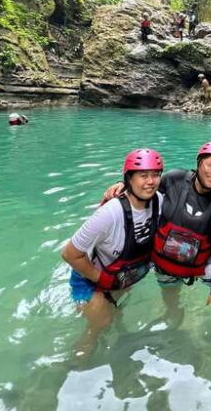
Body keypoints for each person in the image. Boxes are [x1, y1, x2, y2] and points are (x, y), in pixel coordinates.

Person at [103, 141, 211, 343]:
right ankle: (174, 324)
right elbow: (146, 187)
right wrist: (122, 184)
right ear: (199, 164)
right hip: (165, 262)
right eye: (210, 164)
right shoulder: (176, 179)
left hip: (203, 262)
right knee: (172, 304)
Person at [61, 148, 163, 356]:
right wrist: (103, 280)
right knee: (99, 326)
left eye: (155, 175)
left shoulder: (158, 201)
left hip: (122, 274)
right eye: (143, 175)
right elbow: (69, 254)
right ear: (129, 180)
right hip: (91, 279)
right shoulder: (109, 213)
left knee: (117, 312)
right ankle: (75, 363)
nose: (151, 181)